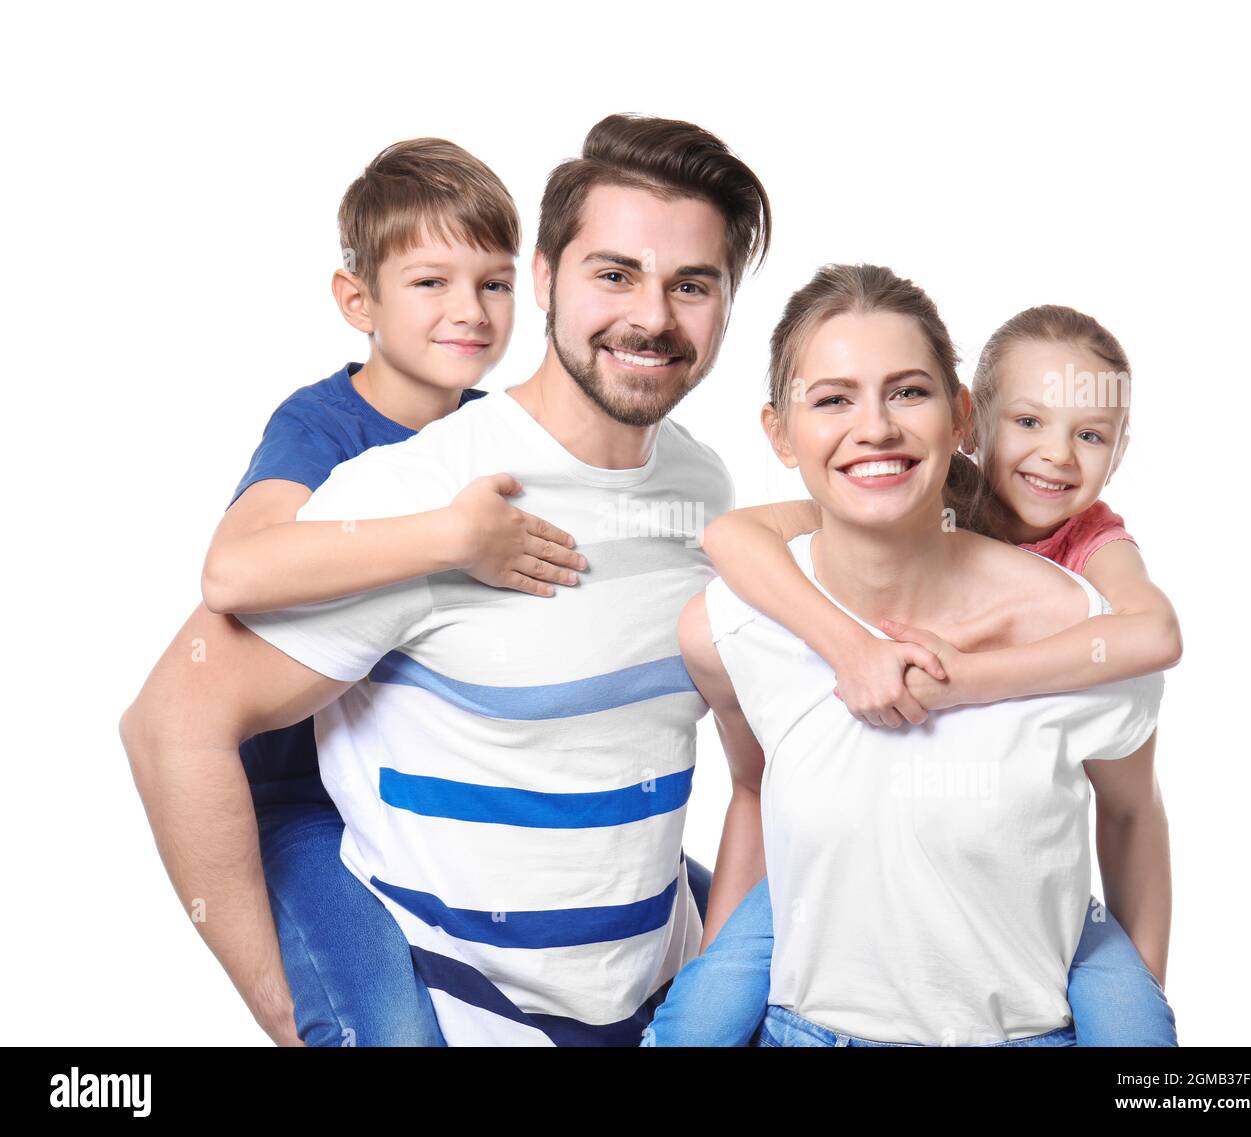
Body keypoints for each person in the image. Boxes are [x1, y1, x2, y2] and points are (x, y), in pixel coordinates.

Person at [120, 113, 772, 1045]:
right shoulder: (417, 486)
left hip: (641, 1002)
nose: (653, 315)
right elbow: (175, 709)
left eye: (693, 284)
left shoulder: (702, 488)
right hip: (400, 929)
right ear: (551, 276)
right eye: (615, 273)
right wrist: (294, 1011)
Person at [123, 137, 588, 1045]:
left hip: (437, 782)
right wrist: (450, 538)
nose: (471, 310)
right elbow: (233, 569)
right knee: (386, 1027)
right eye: (431, 283)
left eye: (494, 284)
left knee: (674, 923)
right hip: (306, 801)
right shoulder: (325, 425)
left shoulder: (498, 431)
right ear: (357, 301)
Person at [645, 264, 1173, 1047]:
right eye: (833, 398)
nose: (876, 427)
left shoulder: (1085, 620)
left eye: (908, 392)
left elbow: (1136, 783)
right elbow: (750, 794)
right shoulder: (738, 625)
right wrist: (850, 647)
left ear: (958, 417)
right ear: (780, 436)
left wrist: (972, 680)